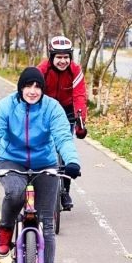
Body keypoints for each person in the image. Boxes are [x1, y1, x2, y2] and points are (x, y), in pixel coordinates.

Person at [0, 67, 81, 263]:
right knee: (14, 192)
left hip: (45, 163)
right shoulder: (6, 107)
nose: (33, 91)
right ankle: (5, 229)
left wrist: (72, 162)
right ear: (20, 87)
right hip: (12, 160)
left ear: (42, 89)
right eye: (28, 86)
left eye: (37, 87)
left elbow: (63, 137)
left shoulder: (52, 108)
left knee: (47, 222)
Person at [37, 35, 88, 211]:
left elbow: (79, 96)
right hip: (45, 111)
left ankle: (65, 192)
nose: (63, 61)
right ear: (51, 57)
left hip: (67, 112)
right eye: (59, 57)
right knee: (43, 148)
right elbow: (33, 94)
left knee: (65, 151)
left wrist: (81, 122)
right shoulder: (42, 70)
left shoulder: (75, 70)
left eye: (66, 57)